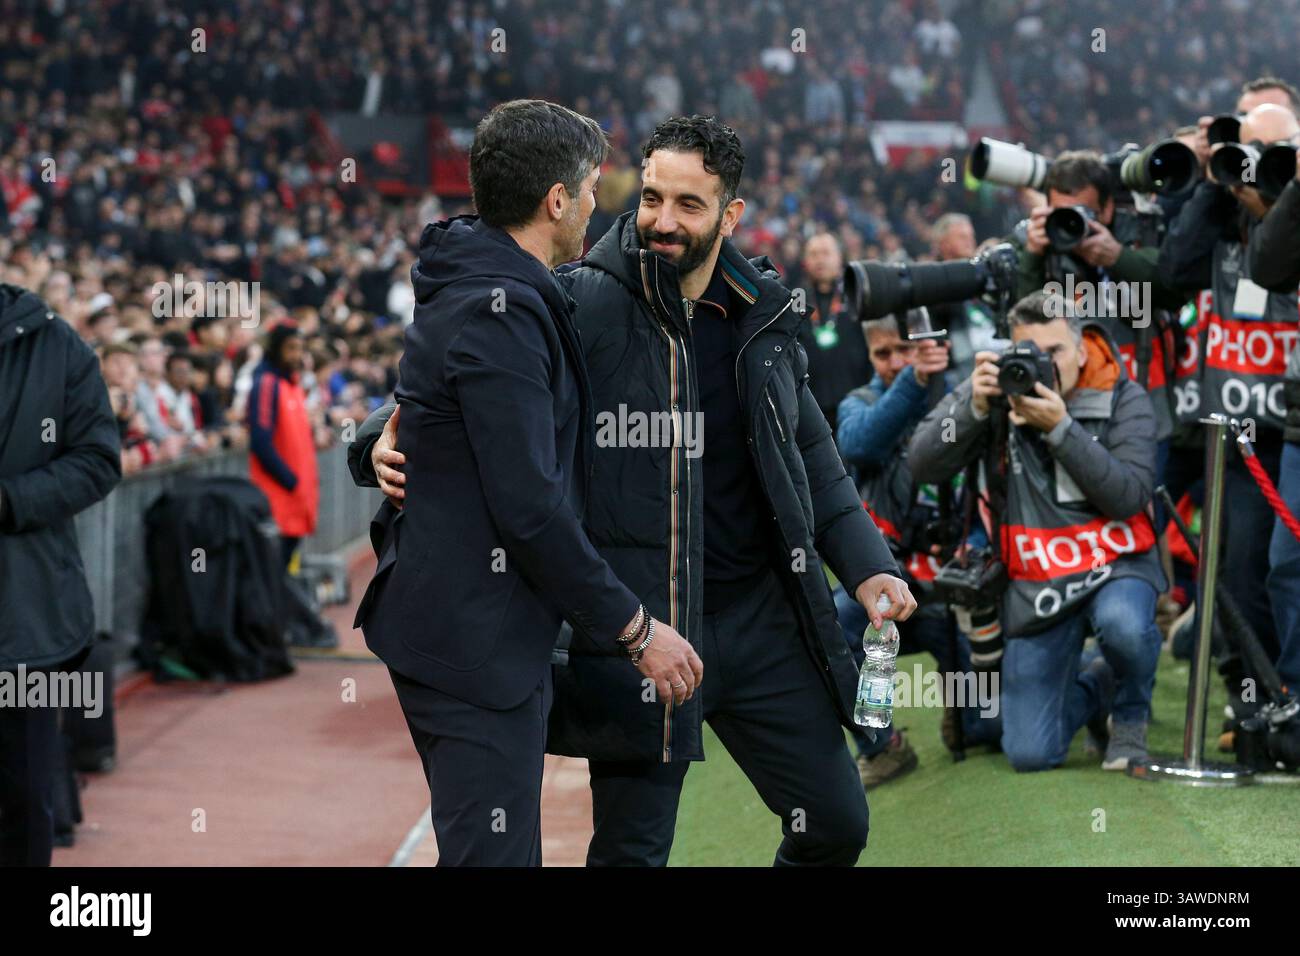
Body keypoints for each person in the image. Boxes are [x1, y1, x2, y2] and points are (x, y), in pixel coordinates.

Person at [353, 115, 915, 867]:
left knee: (837, 825)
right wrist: (373, 435)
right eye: (651, 197)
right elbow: (452, 373)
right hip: (642, 624)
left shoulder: (762, 313)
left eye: (688, 204)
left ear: (730, 214)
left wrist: (869, 562)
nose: (661, 220)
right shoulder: (573, 298)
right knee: (630, 856)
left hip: (759, 623)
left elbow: (811, 453)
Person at [352, 99, 700, 867]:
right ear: (556, 200)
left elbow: (438, 409)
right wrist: (638, 631)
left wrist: (372, 432)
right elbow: (529, 506)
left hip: (470, 632)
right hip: (470, 644)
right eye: (590, 189)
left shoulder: (485, 276)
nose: (594, 206)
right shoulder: (498, 308)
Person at [908, 290, 1166, 770]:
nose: (1044, 366)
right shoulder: (999, 394)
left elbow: (1130, 495)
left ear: (1083, 348)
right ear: (1010, 353)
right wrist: (974, 406)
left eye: (1056, 352)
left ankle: (1131, 716)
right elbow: (922, 463)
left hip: (1116, 565)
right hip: (1040, 583)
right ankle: (1099, 685)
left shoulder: (1122, 395)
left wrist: (1061, 430)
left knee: (1125, 627)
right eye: (1031, 354)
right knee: (1029, 753)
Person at [834, 312, 1001, 787]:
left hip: (955, 586)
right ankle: (883, 746)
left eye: (904, 350)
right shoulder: (859, 403)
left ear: (926, 347)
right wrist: (914, 378)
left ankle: (971, 714)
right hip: (887, 592)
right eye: (882, 353)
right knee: (833, 627)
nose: (893, 362)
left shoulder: (964, 399)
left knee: (988, 727)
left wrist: (973, 556)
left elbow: (990, 489)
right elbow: (861, 444)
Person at [0, 281, 121, 865]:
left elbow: (98, 460)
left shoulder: (57, 344)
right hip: (34, 618)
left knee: (23, 795)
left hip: (30, 620)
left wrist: (10, 500)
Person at [247, 321, 320, 569]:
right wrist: (291, 481)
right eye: (290, 348)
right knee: (271, 574)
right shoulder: (266, 384)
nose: (296, 355)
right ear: (276, 349)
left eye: (300, 348)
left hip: (295, 501)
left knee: (283, 573)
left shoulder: (293, 385)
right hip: (278, 501)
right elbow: (260, 442)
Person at [796, 231, 872, 433]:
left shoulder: (858, 295)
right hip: (811, 406)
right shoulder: (795, 299)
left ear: (840, 257)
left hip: (855, 400)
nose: (820, 259)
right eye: (813, 254)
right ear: (805, 261)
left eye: (826, 253)